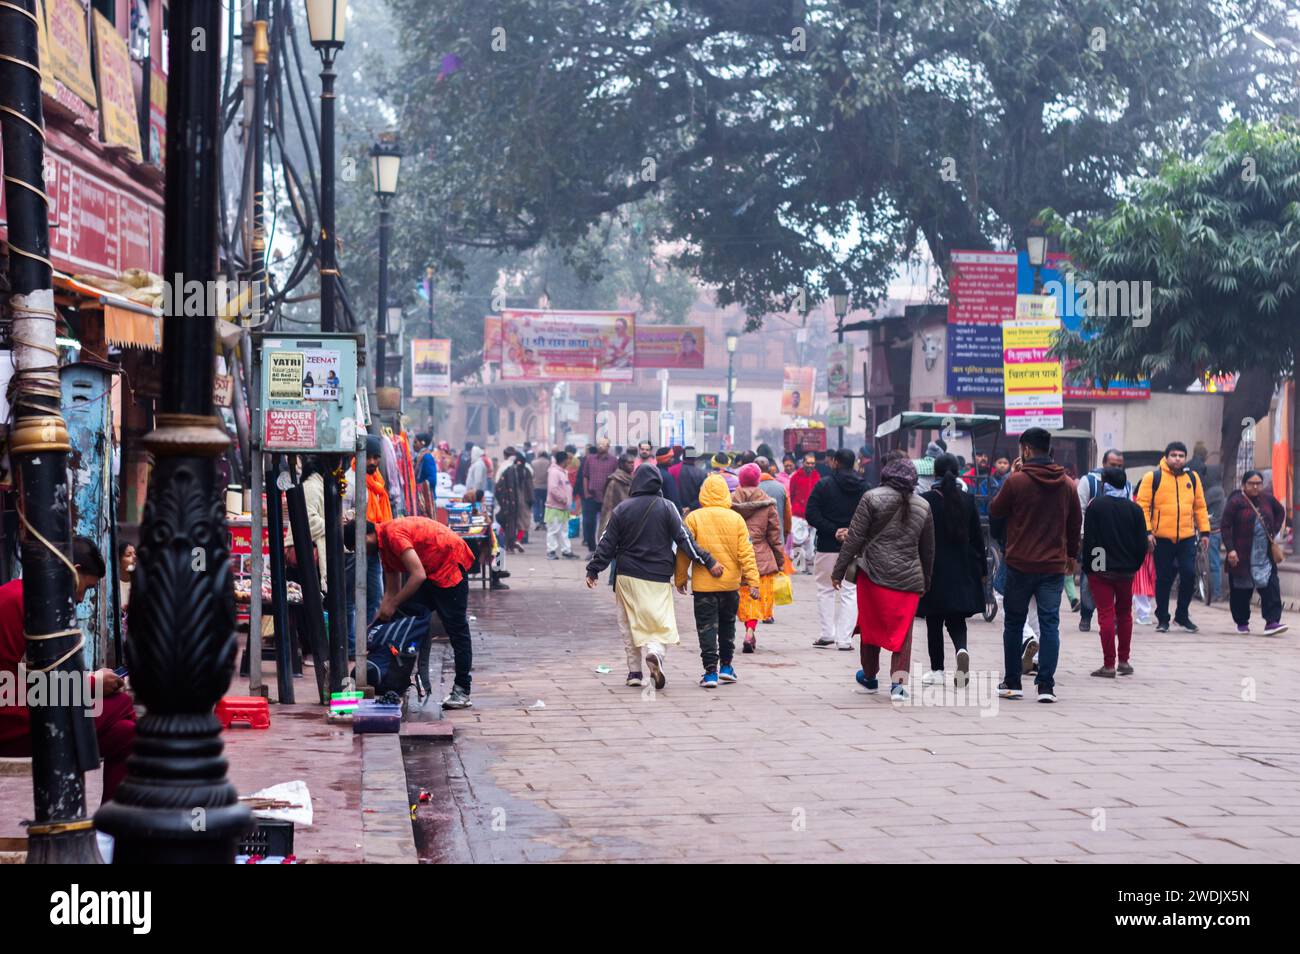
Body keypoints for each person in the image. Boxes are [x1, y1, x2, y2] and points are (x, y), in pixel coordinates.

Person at [0, 537, 135, 804]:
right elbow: (32, 685)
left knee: (127, 733)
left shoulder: (19, 594)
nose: (81, 599)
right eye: (85, 588)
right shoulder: (29, 604)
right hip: (13, 720)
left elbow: (39, 676)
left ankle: (111, 828)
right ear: (71, 570)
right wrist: (92, 684)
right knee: (120, 704)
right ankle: (113, 825)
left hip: (25, 709)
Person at [587, 465, 719, 690]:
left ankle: (634, 672)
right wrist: (708, 561)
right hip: (657, 576)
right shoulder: (667, 507)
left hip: (626, 576)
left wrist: (594, 569)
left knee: (628, 624)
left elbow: (606, 541)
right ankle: (655, 653)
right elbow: (684, 540)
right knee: (659, 621)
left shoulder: (622, 509)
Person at [989, 427, 1082, 703]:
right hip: (1053, 566)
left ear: (1026, 450)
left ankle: (1013, 682)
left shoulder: (1016, 482)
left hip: (1020, 563)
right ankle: (1046, 686)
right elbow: (1075, 524)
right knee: (1049, 624)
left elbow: (995, 511)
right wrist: (1071, 557)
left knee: (1014, 624)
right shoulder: (1067, 484)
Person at [832, 457, 935, 702]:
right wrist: (926, 580)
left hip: (873, 575)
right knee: (903, 633)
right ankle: (899, 684)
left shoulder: (871, 497)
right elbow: (928, 549)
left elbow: (855, 538)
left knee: (870, 626)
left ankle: (869, 676)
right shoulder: (923, 505)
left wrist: (838, 571)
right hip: (909, 580)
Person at [362, 517, 477, 709]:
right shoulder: (384, 547)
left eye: (361, 546)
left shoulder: (393, 535)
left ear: (367, 535)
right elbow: (392, 592)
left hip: (449, 564)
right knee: (405, 614)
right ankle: (393, 677)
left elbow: (418, 575)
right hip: (432, 569)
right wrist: (378, 621)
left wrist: (394, 603)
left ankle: (462, 690)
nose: (363, 552)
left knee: (457, 630)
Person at [676, 474, 759, 688]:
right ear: (726, 493)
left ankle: (710, 672)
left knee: (706, 628)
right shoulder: (736, 519)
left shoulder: (694, 518)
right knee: (727, 625)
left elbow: (685, 551)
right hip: (731, 584)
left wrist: (681, 577)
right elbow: (746, 553)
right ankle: (727, 667)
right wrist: (753, 581)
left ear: (703, 493)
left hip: (704, 586)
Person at [917, 454, 985, 688]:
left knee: (934, 620)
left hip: (933, 568)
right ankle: (962, 650)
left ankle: (937, 670)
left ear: (934, 473)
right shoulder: (967, 500)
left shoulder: (925, 500)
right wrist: (983, 570)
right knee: (956, 619)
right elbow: (978, 539)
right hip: (962, 568)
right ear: (958, 472)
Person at [1135, 441, 1210, 633]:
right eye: (1174, 455)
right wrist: (1147, 532)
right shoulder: (1153, 477)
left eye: (1181, 455)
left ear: (1185, 458)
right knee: (1164, 579)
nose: (1177, 459)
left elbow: (1200, 507)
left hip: (1186, 537)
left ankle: (1182, 615)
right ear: (1166, 457)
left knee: (1189, 574)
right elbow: (1142, 505)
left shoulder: (1192, 478)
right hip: (1161, 537)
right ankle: (1163, 618)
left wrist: (1204, 532)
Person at [1080, 465, 1148, 678]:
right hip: (1126, 569)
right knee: (1125, 613)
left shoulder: (1096, 506)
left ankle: (1109, 664)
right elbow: (1141, 543)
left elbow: (1091, 540)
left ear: (1104, 484)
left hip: (1102, 568)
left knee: (1106, 613)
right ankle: (1124, 661)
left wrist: (1092, 567)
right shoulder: (1134, 509)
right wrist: (1134, 564)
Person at [806, 448, 869, 650]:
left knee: (825, 589)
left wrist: (834, 531)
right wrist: (852, 532)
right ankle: (844, 640)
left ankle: (827, 634)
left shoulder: (824, 485)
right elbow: (871, 517)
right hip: (855, 547)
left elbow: (811, 514)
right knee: (850, 591)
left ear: (834, 462)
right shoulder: (865, 487)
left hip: (826, 545)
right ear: (854, 464)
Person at [1221, 470, 1287, 635]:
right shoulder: (1236, 502)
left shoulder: (1268, 499)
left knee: (1271, 587)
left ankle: (1272, 622)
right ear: (1244, 485)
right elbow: (1225, 526)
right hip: (1241, 554)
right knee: (1241, 591)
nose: (1255, 486)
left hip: (1264, 554)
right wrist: (1230, 550)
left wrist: (1273, 531)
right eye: (1251, 483)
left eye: (1258, 483)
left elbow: (1280, 512)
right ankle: (1242, 622)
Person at [731, 463, 784, 653]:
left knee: (743, 597)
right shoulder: (768, 504)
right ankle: (750, 630)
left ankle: (747, 629)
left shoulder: (730, 503)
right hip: (761, 556)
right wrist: (780, 561)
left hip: (737, 556)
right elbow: (774, 536)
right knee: (757, 597)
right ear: (757, 480)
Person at [1076, 448, 1130, 632]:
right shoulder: (1089, 481)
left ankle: (1109, 616)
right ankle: (1086, 613)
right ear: (1104, 464)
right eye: (1113, 465)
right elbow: (1080, 509)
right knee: (1091, 579)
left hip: (1117, 544)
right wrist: (1083, 536)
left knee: (1115, 579)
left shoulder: (1126, 485)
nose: (1116, 468)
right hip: (1096, 545)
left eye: (1120, 466)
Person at [578, 438, 619, 553]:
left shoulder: (613, 461)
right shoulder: (590, 459)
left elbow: (616, 477)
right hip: (591, 495)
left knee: (606, 523)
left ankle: (603, 548)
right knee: (589, 522)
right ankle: (591, 548)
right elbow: (585, 476)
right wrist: (586, 492)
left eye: (604, 445)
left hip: (607, 496)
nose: (601, 446)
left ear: (608, 447)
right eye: (599, 444)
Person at [789, 453, 821, 572]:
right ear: (803, 463)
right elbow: (791, 495)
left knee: (810, 541)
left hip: (813, 514)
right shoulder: (795, 477)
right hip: (798, 514)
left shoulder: (817, 476)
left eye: (813, 463)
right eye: (808, 463)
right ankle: (798, 566)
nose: (810, 465)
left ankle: (808, 566)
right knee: (797, 540)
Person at [545, 451, 579, 560]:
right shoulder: (555, 472)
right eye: (568, 459)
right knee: (553, 530)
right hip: (555, 507)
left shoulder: (562, 472)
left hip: (563, 508)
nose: (570, 461)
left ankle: (566, 551)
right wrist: (563, 499)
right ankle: (551, 551)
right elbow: (553, 488)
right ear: (564, 461)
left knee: (564, 531)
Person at [494, 447, 528, 554]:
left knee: (508, 522)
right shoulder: (511, 468)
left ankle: (508, 543)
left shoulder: (504, 466)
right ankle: (509, 544)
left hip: (506, 499)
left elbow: (497, 485)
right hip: (511, 499)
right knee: (510, 523)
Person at [598, 451, 636, 538]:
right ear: (622, 464)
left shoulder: (632, 479)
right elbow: (608, 506)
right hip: (617, 518)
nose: (632, 465)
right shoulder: (614, 481)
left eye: (633, 463)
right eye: (629, 463)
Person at [1204, 464, 1226, 603]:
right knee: (1214, 561)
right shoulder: (1219, 489)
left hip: (1213, 529)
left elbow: (1201, 504)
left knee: (1213, 563)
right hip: (1216, 528)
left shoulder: (1214, 491)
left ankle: (1216, 592)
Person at [675, 447, 707, 513]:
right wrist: (690, 507)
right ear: (695, 457)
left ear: (683, 456)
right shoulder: (702, 474)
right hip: (694, 511)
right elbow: (703, 495)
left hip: (675, 510)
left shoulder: (673, 470)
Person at [531, 450, 551, 530]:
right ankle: (543, 521)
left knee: (536, 505)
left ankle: (536, 521)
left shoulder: (533, 463)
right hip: (546, 487)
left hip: (535, 486)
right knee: (544, 505)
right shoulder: (549, 463)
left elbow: (532, 475)